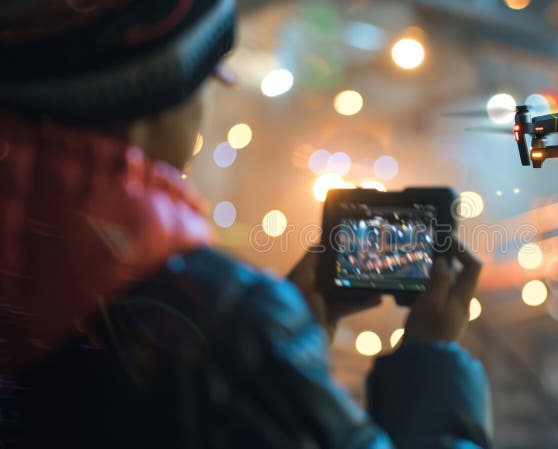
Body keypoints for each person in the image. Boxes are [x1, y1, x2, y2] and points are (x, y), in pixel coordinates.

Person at [0, 1, 491, 448]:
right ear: (156, 96)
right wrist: (433, 361)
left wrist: (298, 336)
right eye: (212, 77)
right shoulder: (215, 327)